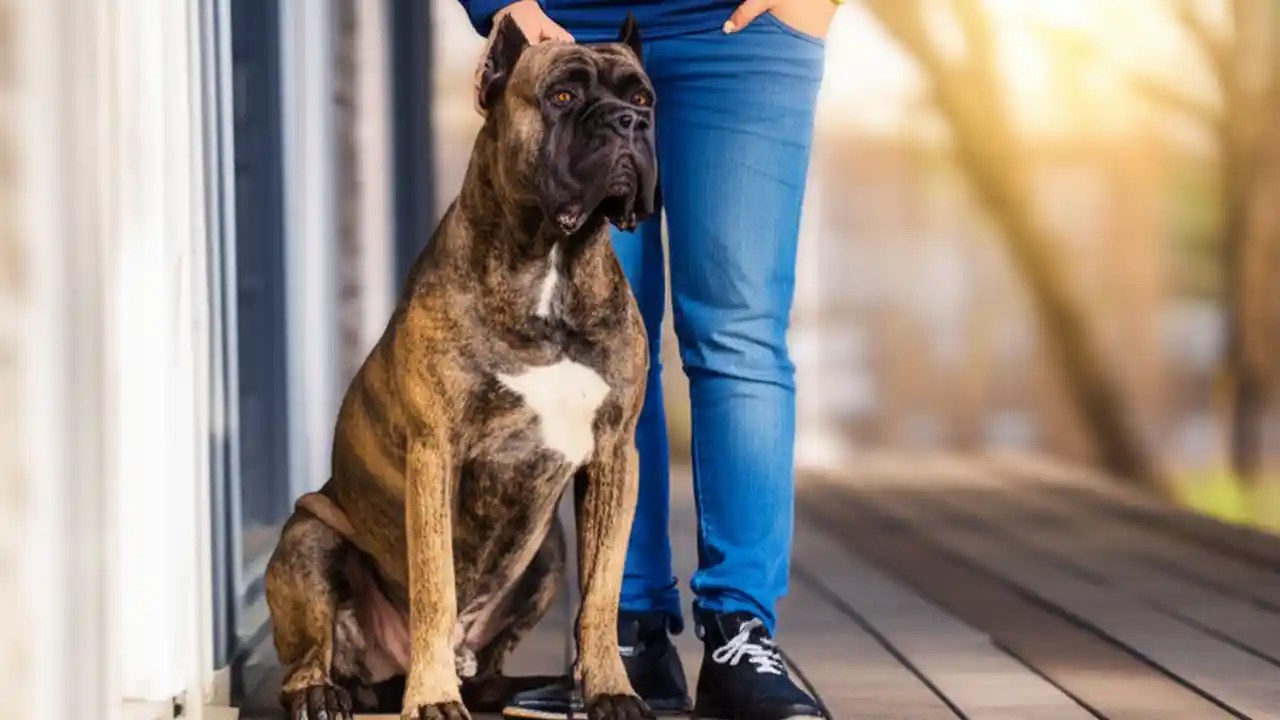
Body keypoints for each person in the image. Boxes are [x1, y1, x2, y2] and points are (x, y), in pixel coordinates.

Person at [456, 1, 837, 718]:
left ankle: (739, 633)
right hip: (564, 35)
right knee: (600, 355)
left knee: (738, 337)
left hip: (742, 40)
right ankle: (623, 636)